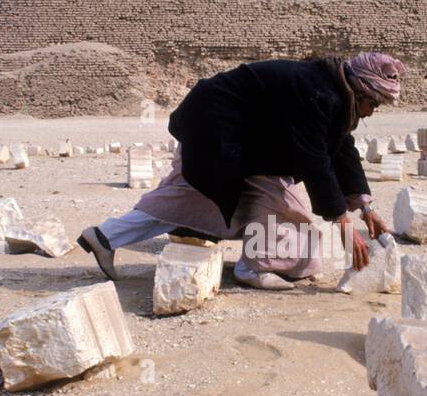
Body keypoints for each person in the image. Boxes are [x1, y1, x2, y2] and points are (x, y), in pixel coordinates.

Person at [77, 51, 405, 289]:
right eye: (373, 104)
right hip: (217, 133)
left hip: (234, 138)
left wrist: (365, 207)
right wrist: (344, 226)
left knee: (194, 199)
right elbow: (316, 160)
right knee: (282, 215)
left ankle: (106, 237)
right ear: (360, 89)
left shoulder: (332, 91)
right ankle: (253, 268)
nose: (372, 112)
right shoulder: (318, 93)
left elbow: (340, 147)